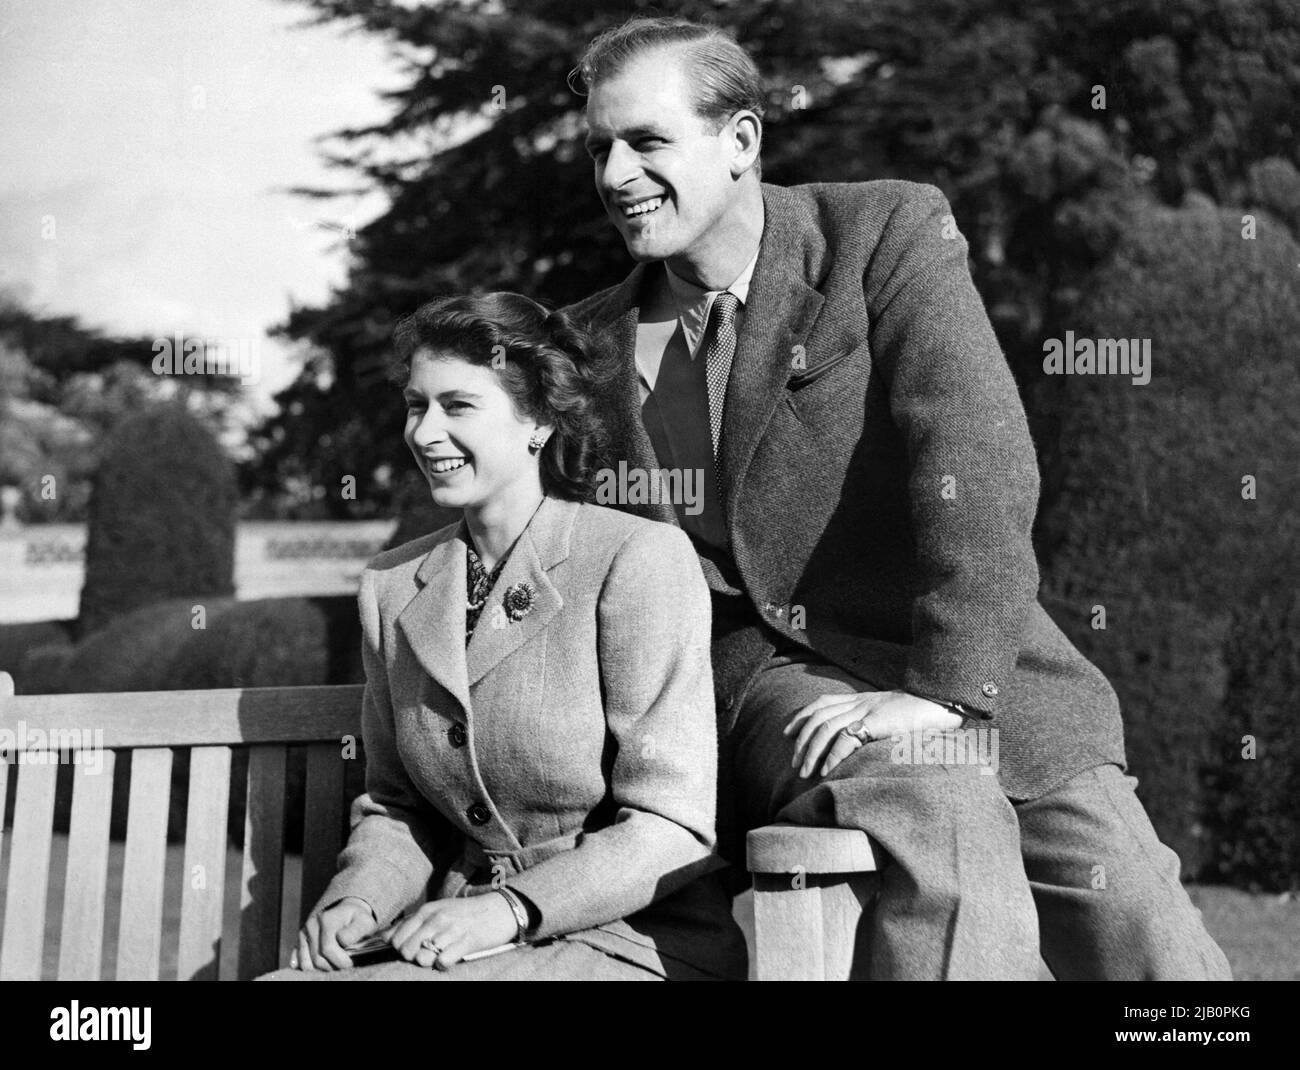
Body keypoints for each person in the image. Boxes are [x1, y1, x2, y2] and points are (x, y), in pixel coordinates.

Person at [562, 16, 1232, 980]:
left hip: (977, 673)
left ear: (743, 139)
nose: (616, 173)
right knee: (939, 805)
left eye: (647, 141)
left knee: (1151, 939)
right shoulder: (585, 345)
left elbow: (974, 457)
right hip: (769, 691)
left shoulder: (881, 233)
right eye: (600, 148)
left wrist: (943, 692)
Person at [261, 292, 746, 981]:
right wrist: (357, 902)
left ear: (540, 420)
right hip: (452, 939)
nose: (425, 433)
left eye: (457, 407)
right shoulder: (392, 587)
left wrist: (514, 908)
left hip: (633, 942)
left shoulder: (635, 560)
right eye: (414, 405)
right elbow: (401, 809)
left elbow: (671, 827)